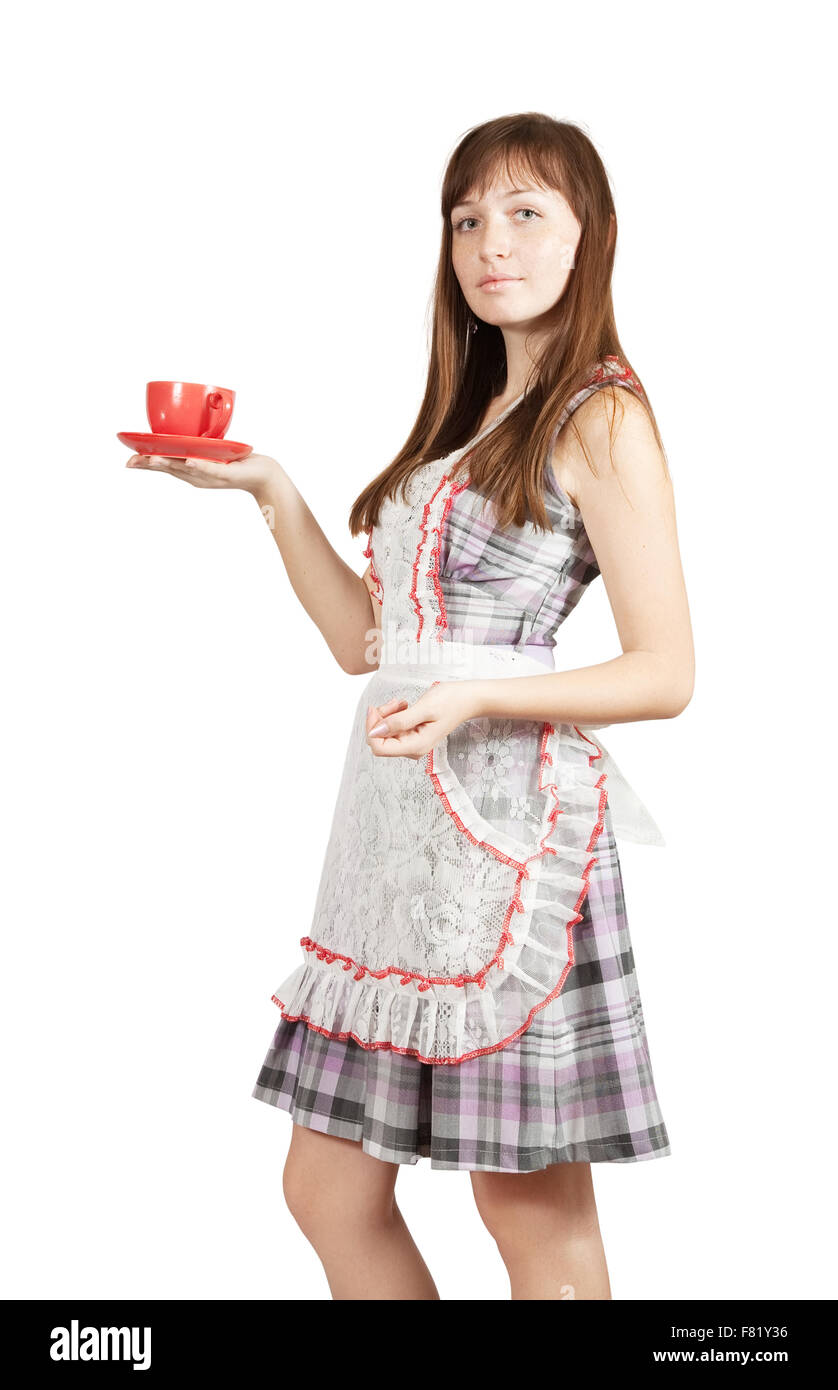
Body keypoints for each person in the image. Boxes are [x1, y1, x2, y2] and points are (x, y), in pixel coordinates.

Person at [125, 113, 694, 1301]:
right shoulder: (467, 415)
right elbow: (364, 645)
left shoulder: (599, 412)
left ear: (591, 236)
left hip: (510, 846)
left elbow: (664, 670)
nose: (491, 243)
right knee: (326, 1190)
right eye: (466, 219)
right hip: (390, 846)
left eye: (525, 213)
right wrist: (268, 489)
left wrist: (476, 692)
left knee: (526, 1208)